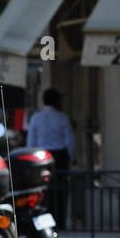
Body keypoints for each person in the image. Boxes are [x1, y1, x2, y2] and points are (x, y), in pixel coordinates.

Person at [26, 88, 75, 224]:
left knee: (44, 191)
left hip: (42, 157)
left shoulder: (36, 117)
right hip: (59, 157)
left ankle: (46, 222)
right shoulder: (63, 118)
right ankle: (60, 221)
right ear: (57, 101)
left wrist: (31, 159)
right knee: (61, 191)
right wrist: (69, 158)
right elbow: (69, 141)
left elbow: (31, 141)